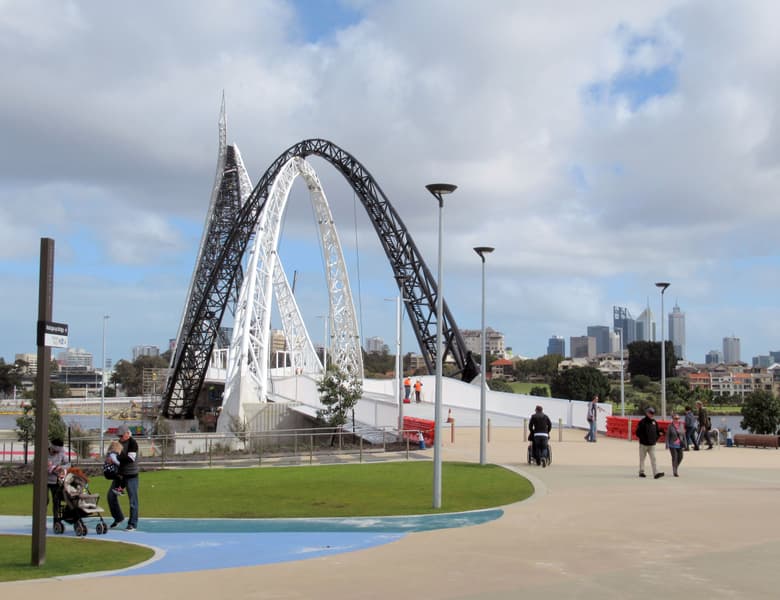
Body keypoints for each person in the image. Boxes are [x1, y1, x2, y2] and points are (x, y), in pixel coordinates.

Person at [107, 424, 140, 531]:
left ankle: (132, 524)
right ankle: (118, 518)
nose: (120, 438)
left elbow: (130, 459)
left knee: (133, 501)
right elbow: (111, 453)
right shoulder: (118, 443)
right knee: (111, 496)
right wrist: (109, 458)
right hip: (120, 475)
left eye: (122, 435)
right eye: (119, 436)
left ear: (127, 433)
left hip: (131, 475)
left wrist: (117, 458)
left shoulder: (133, 443)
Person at [635, 406, 664, 479]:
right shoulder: (642, 422)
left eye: (653, 413)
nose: (652, 415)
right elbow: (637, 432)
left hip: (652, 444)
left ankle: (656, 473)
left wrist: (656, 438)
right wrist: (643, 439)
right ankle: (641, 472)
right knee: (642, 459)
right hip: (643, 444)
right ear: (647, 413)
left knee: (654, 459)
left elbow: (657, 432)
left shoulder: (655, 422)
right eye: (650, 413)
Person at [47, 437, 69, 521]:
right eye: (54, 451)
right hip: (44, 480)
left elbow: (68, 464)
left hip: (55, 480)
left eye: (57, 452)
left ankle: (56, 520)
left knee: (56, 500)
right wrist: (48, 467)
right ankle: (41, 521)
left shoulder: (61, 453)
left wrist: (61, 467)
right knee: (44, 501)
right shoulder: (44, 452)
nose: (56, 453)